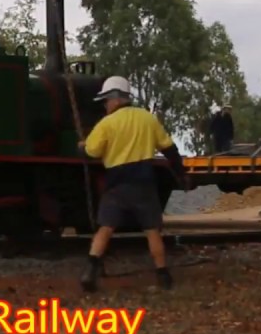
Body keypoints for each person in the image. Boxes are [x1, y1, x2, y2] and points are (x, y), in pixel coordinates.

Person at [77, 76, 187, 292]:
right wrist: (181, 174)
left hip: (117, 184)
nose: (105, 105)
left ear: (116, 99)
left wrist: (81, 146)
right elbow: (169, 149)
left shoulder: (107, 124)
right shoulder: (147, 119)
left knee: (105, 228)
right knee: (152, 230)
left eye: (106, 101)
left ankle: (90, 271)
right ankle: (164, 277)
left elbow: (92, 152)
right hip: (144, 183)